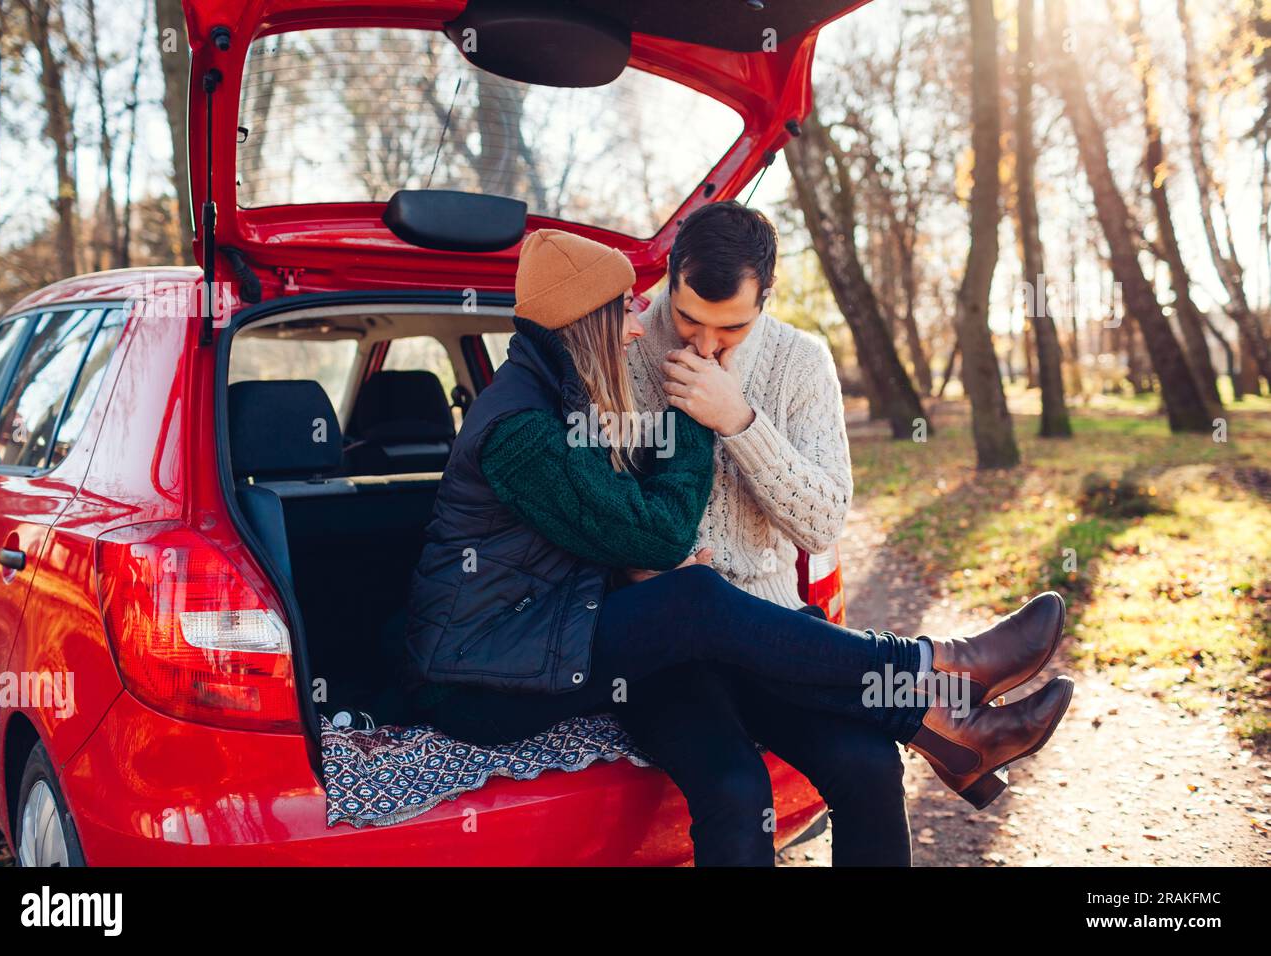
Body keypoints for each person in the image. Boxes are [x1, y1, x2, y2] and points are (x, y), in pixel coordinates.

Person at [400, 227, 1074, 857]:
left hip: (768, 628)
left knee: (869, 765)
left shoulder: (798, 362)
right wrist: (653, 543)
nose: (705, 339)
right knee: (732, 775)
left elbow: (819, 526)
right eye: (686, 318)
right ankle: (938, 678)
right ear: (661, 287)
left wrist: (738, 419)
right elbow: (630, 529)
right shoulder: (596, 378)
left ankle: (956, 721)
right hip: (638, 646)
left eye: (732, 327)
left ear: (766, 300)